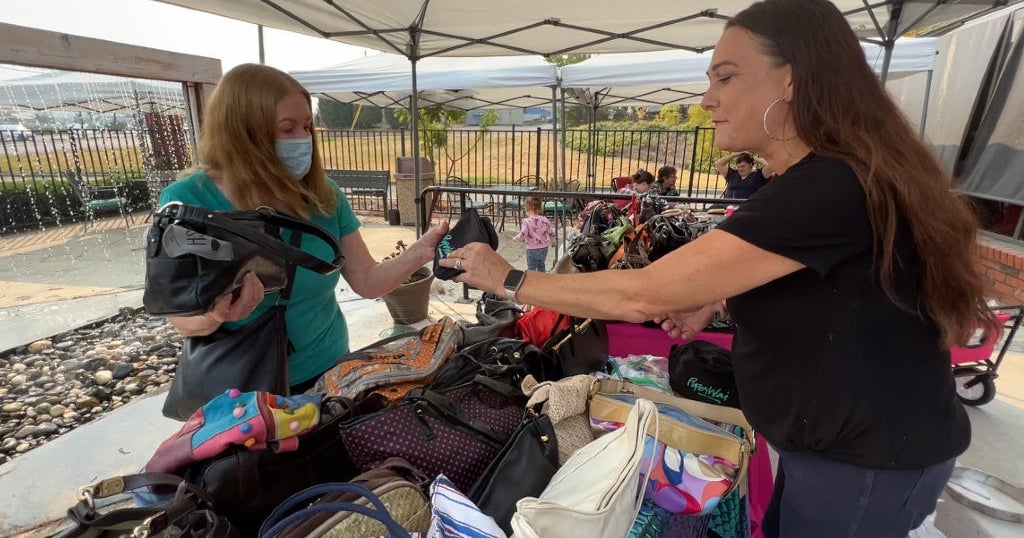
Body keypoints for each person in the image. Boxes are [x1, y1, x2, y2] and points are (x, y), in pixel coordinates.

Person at [440, 1, 992, 536]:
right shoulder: (827, 179)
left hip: (865, 459)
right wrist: (718, 295)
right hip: (841, 448)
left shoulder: (830, 185)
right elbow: (837, 289)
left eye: (726, 77)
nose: (707, 99)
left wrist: (507, 278)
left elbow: (644, 294)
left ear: (793, 80)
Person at [158, 64, 447, 393]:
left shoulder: (324, 195)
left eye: (307, 126)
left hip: (328, 374)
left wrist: (420, 252)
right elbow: (183, 319)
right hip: (240, 390)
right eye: (287, 128)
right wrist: (217, 314)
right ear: (244, 131)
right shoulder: (188, 201)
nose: (303, 139)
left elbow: (366, 280)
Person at [514, 196, 556, 273]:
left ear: (527, 209)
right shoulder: (545, 220)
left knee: (531, 268)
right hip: (543, 248)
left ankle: (532, 281)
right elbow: (551, 233)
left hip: (531, 249)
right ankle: (542, 279)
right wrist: (553, 242)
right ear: (540, 209)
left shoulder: (526, 221)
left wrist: (516, 238)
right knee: (541, 265)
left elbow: (523, 233)